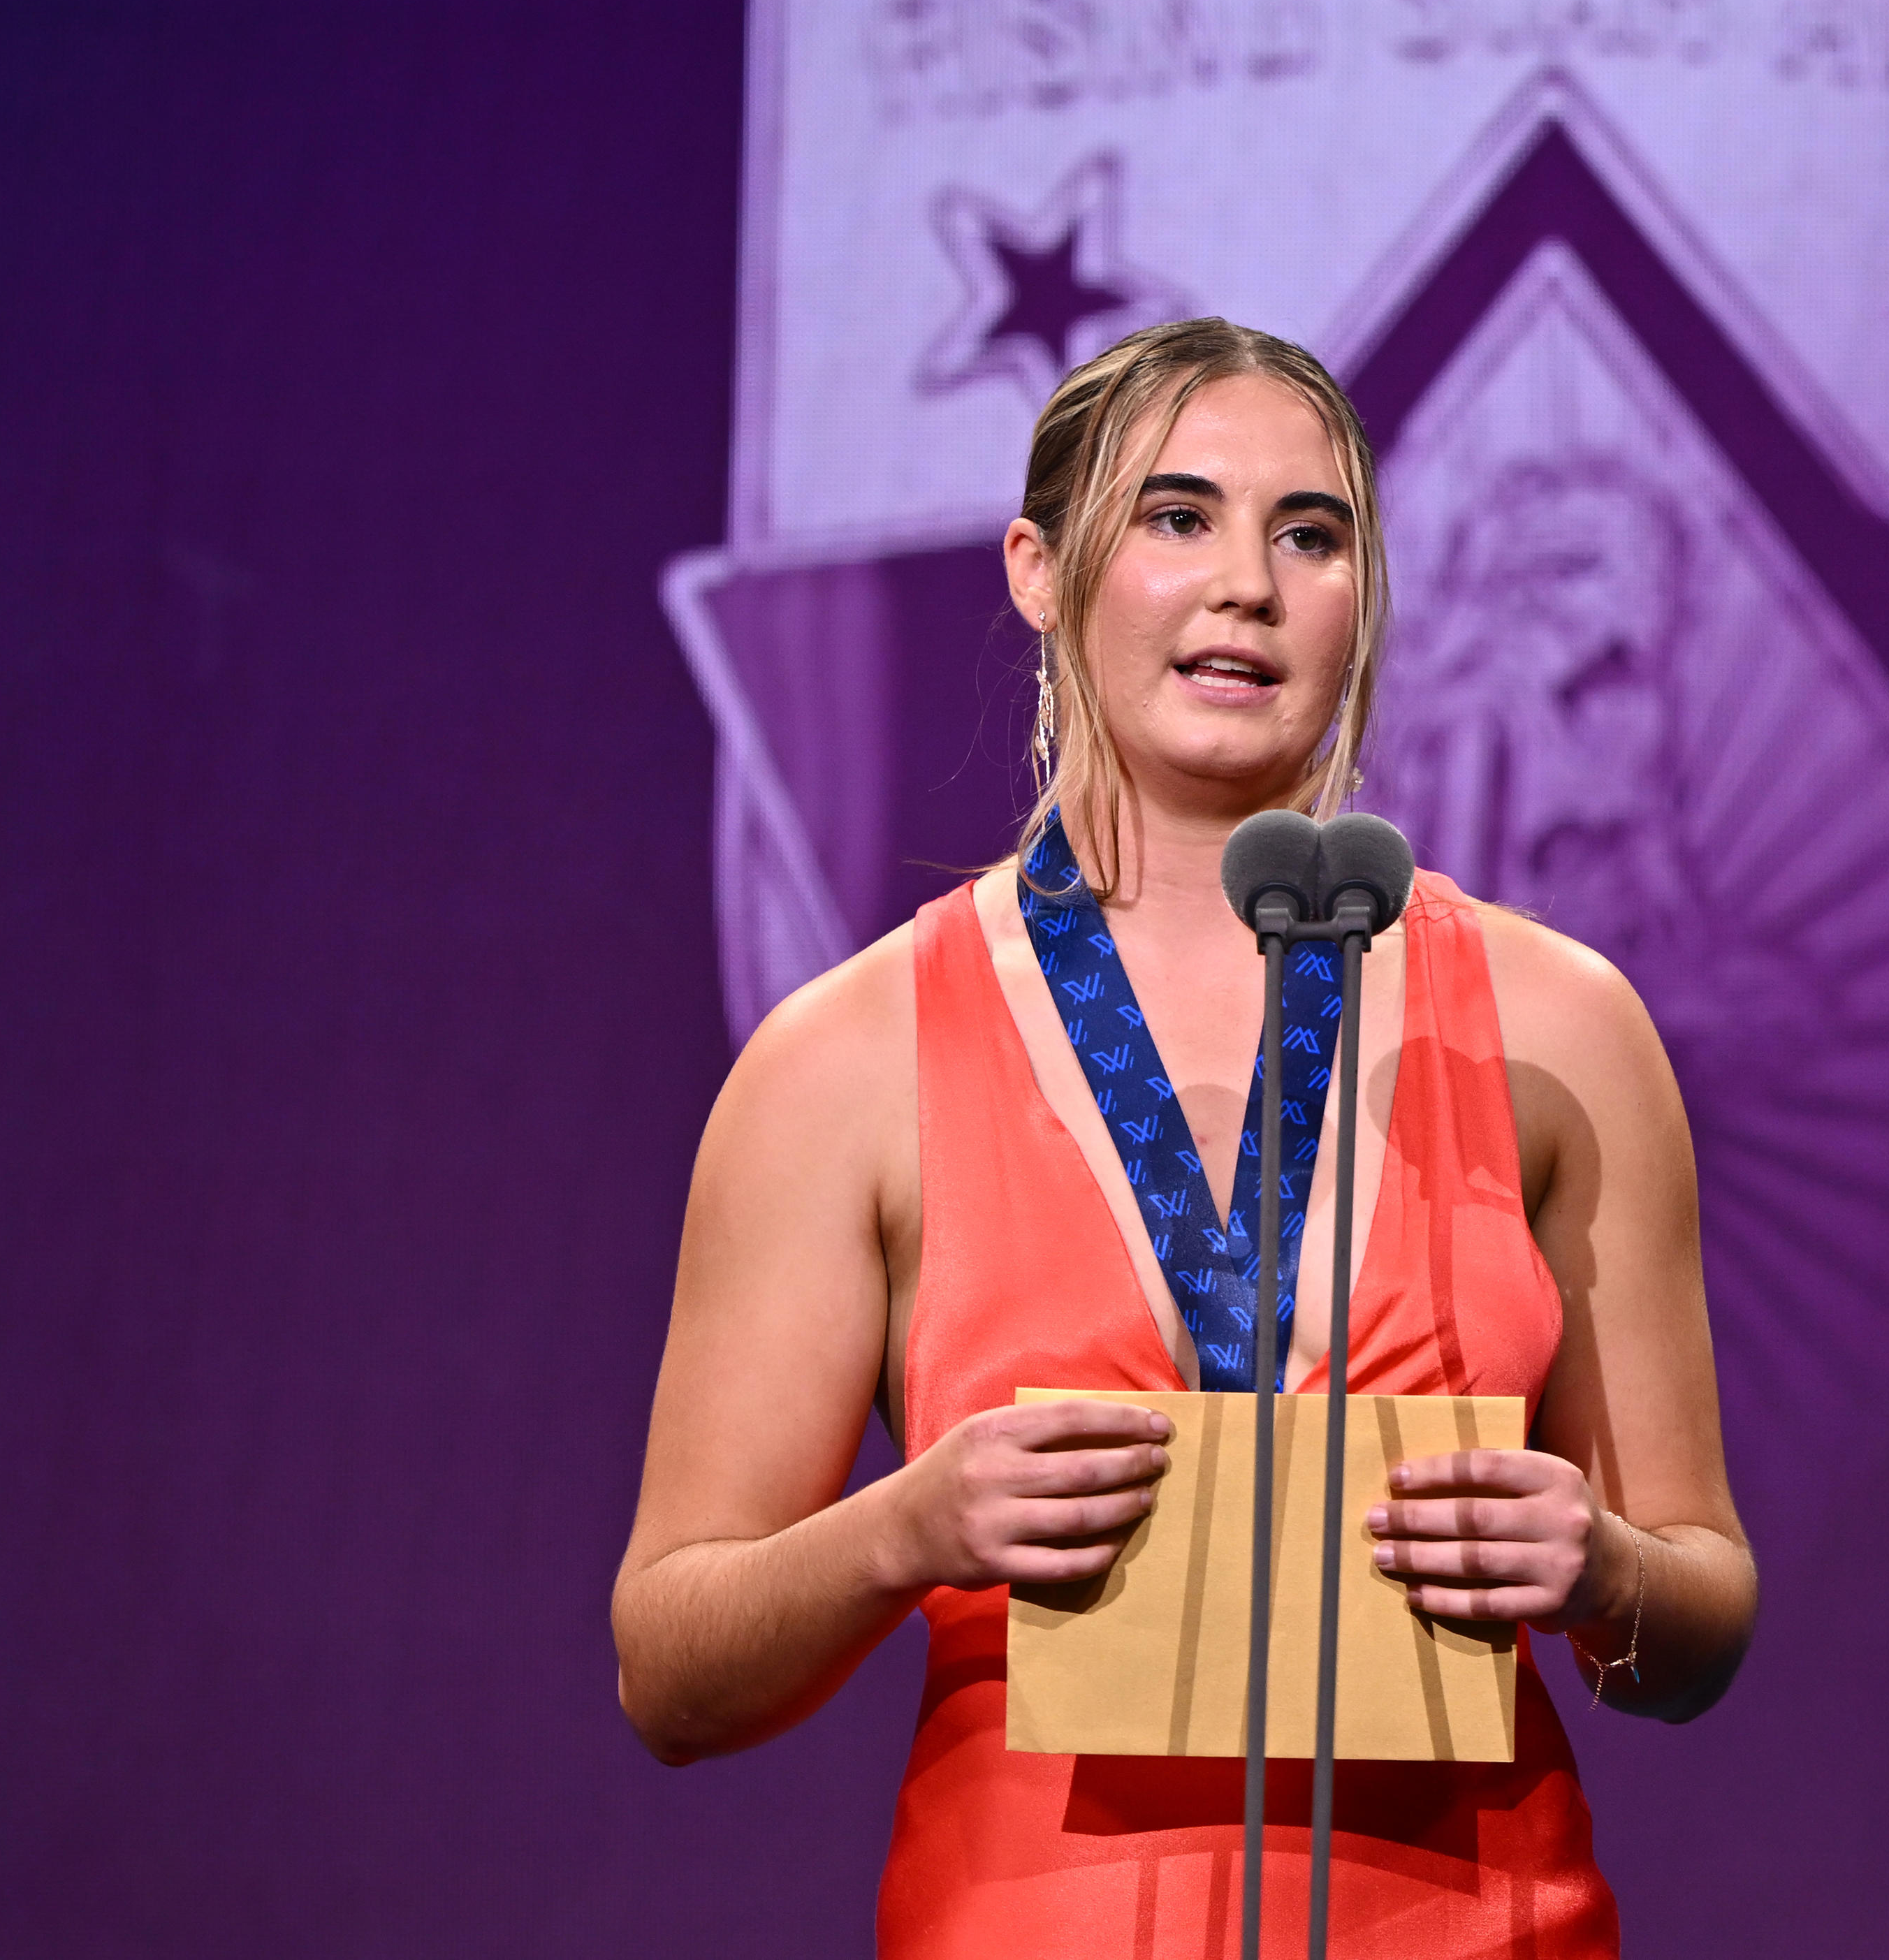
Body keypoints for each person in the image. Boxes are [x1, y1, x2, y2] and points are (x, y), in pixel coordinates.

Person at [611, 316, 1756, 1956]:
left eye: (1312, 533)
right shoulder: (847, 1060)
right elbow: (671, 1669)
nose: (1249, 583)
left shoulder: (1557, 1027)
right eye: (1176, 516)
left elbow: (1698, 1623)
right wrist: (908, 1527)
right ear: (1037, 565)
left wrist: (1605, 1569)